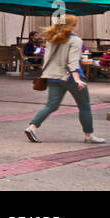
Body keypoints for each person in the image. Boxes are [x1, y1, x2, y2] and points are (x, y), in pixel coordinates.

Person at [25, 15, 104, 144]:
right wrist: (77, 79)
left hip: (53, 77)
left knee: (51, 105)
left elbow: (47, 58)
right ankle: (89, 135)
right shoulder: (76, 40)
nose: (77, 26)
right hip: (70, 77)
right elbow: (73, 62)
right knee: (84, 106)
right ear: (72, 26)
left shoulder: (52, 39)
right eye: (76, 24)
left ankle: (32, 127)